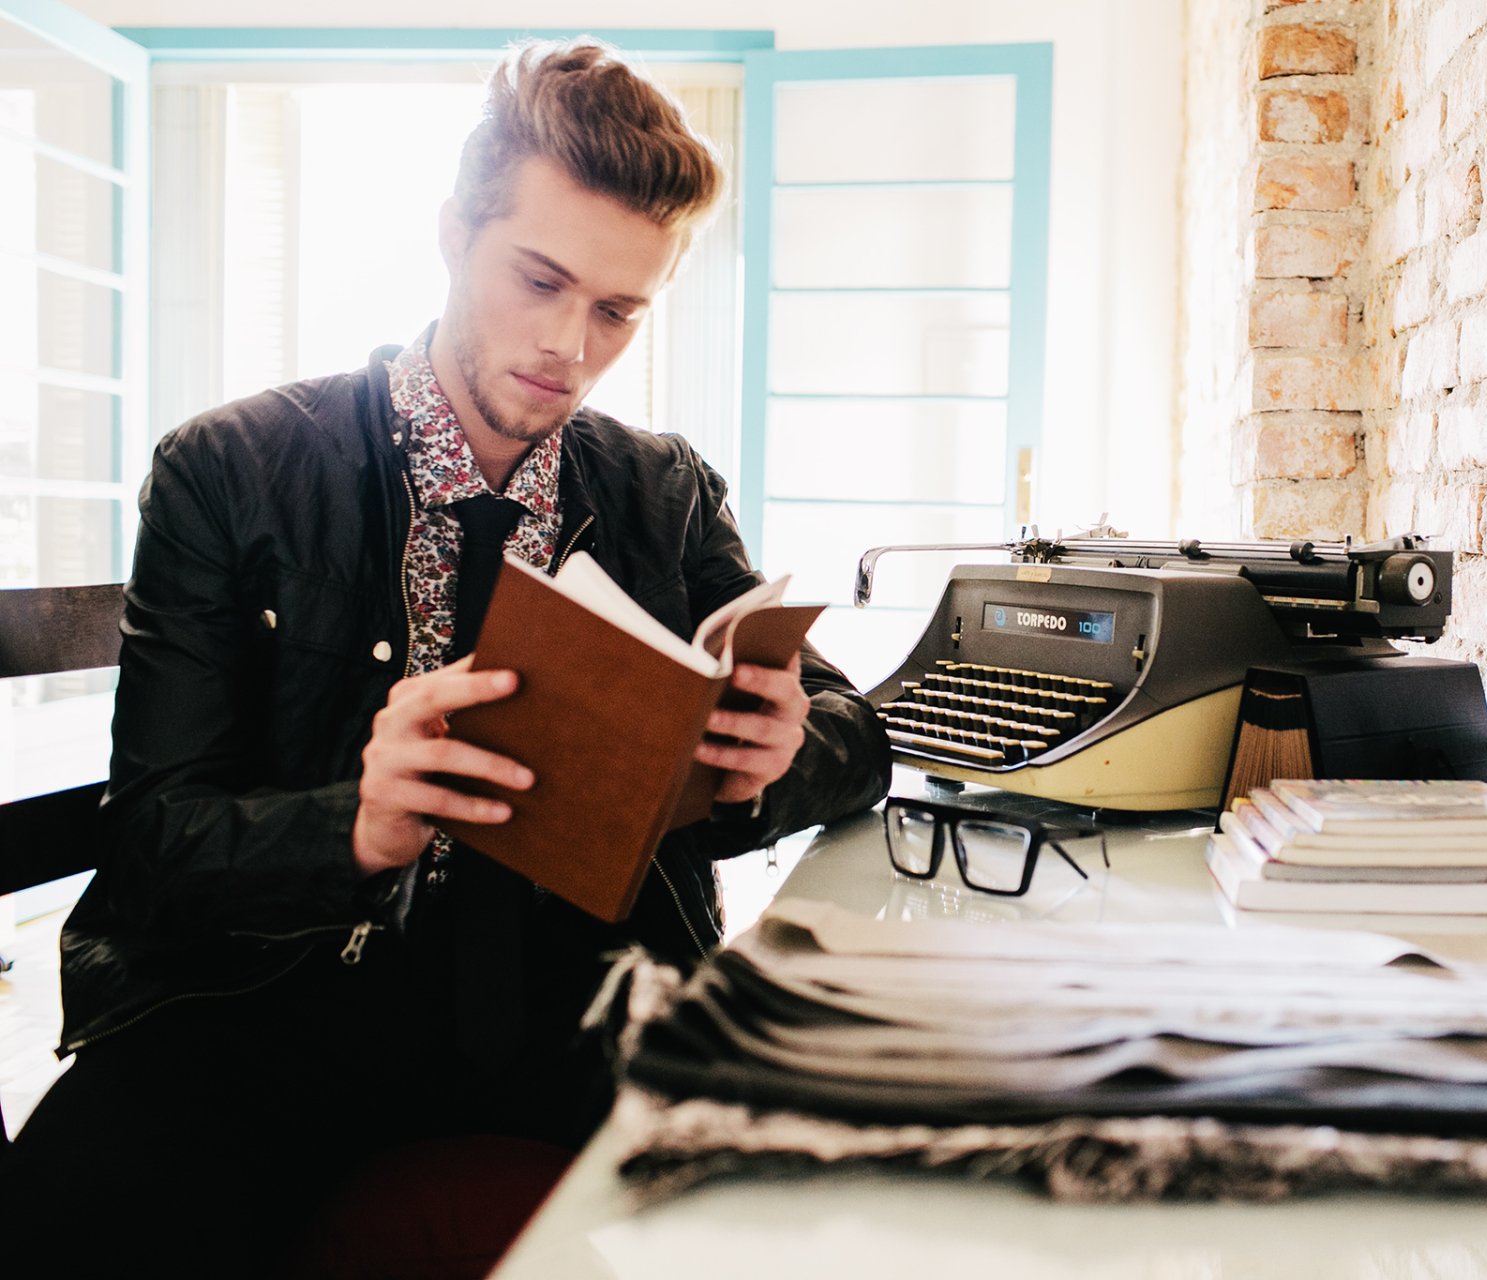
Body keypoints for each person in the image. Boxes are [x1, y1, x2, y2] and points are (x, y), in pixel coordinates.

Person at [0, 38, 891, 1276]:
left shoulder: (662, 489)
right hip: (266, 1002)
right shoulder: (229, 469)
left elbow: (863, 740)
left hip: (581, 1007)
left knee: (836, 1217)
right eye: (539, 279)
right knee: (64, 1215)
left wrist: (782, 753)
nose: (571, 347)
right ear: (453, 233)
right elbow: (160, 837)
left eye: (619, 310)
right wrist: (351, 826)